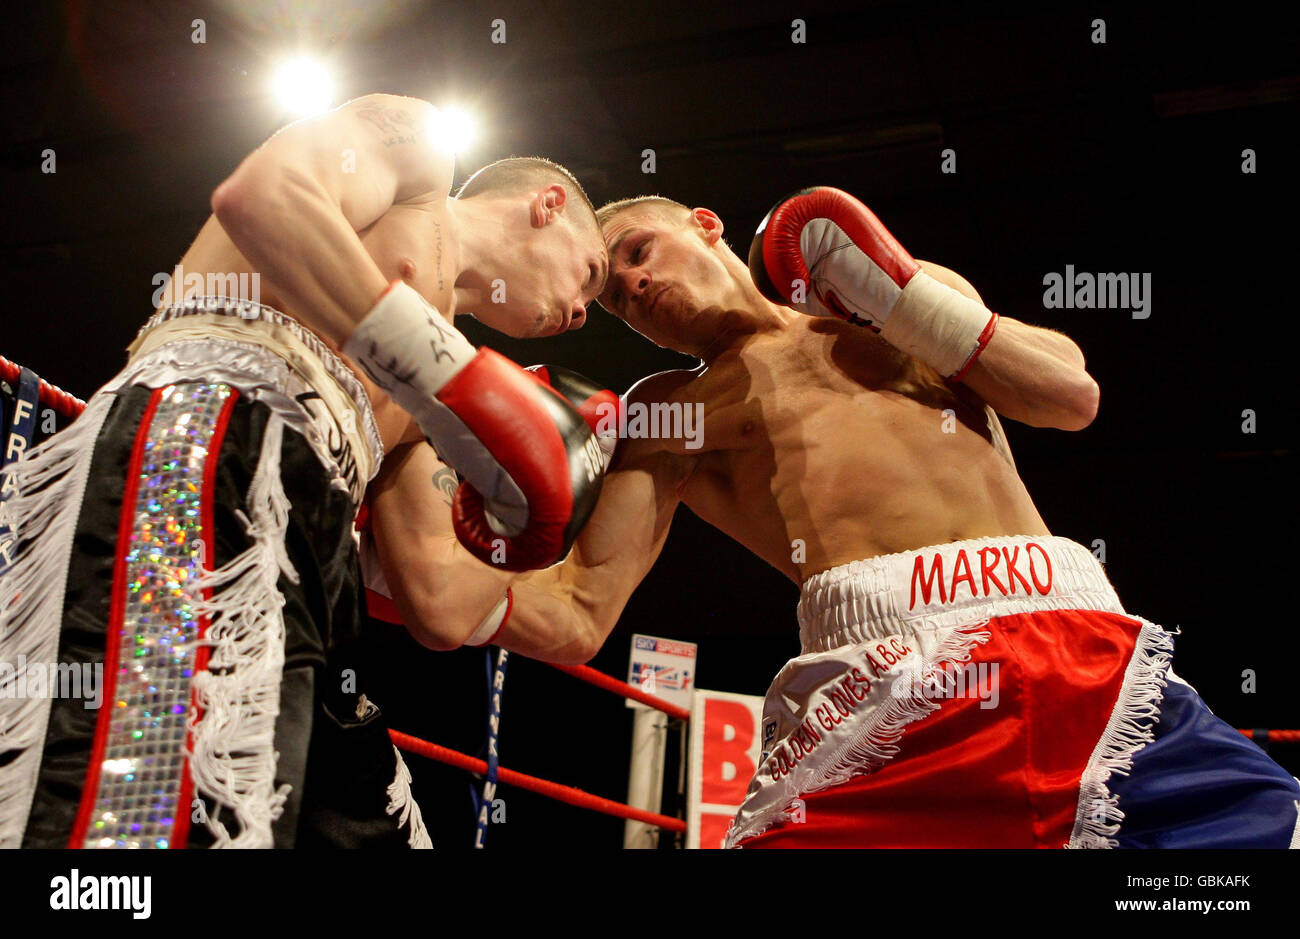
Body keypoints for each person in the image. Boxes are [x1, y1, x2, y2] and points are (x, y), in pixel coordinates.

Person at [502, 187, 1300, 848]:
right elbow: (578, 610)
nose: (633, 287)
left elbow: (1069, 396)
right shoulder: (667, 411)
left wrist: (905, 299)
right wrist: (416, 555)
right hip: (876, 676)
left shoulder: (883, 297)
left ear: (703, 225)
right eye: (613, 295)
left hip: (1071, 631)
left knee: (1252, 840)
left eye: (639, 253)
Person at [0, 93, 608, 850]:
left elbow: (442, 606)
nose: (584, 310)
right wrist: (448, 376)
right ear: (547, 205)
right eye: (591, 274)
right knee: (137, 812)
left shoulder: (437, 408)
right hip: (206, 436)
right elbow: (265, 197)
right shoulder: (419, 151)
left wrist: (544, 528)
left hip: (307, 557)